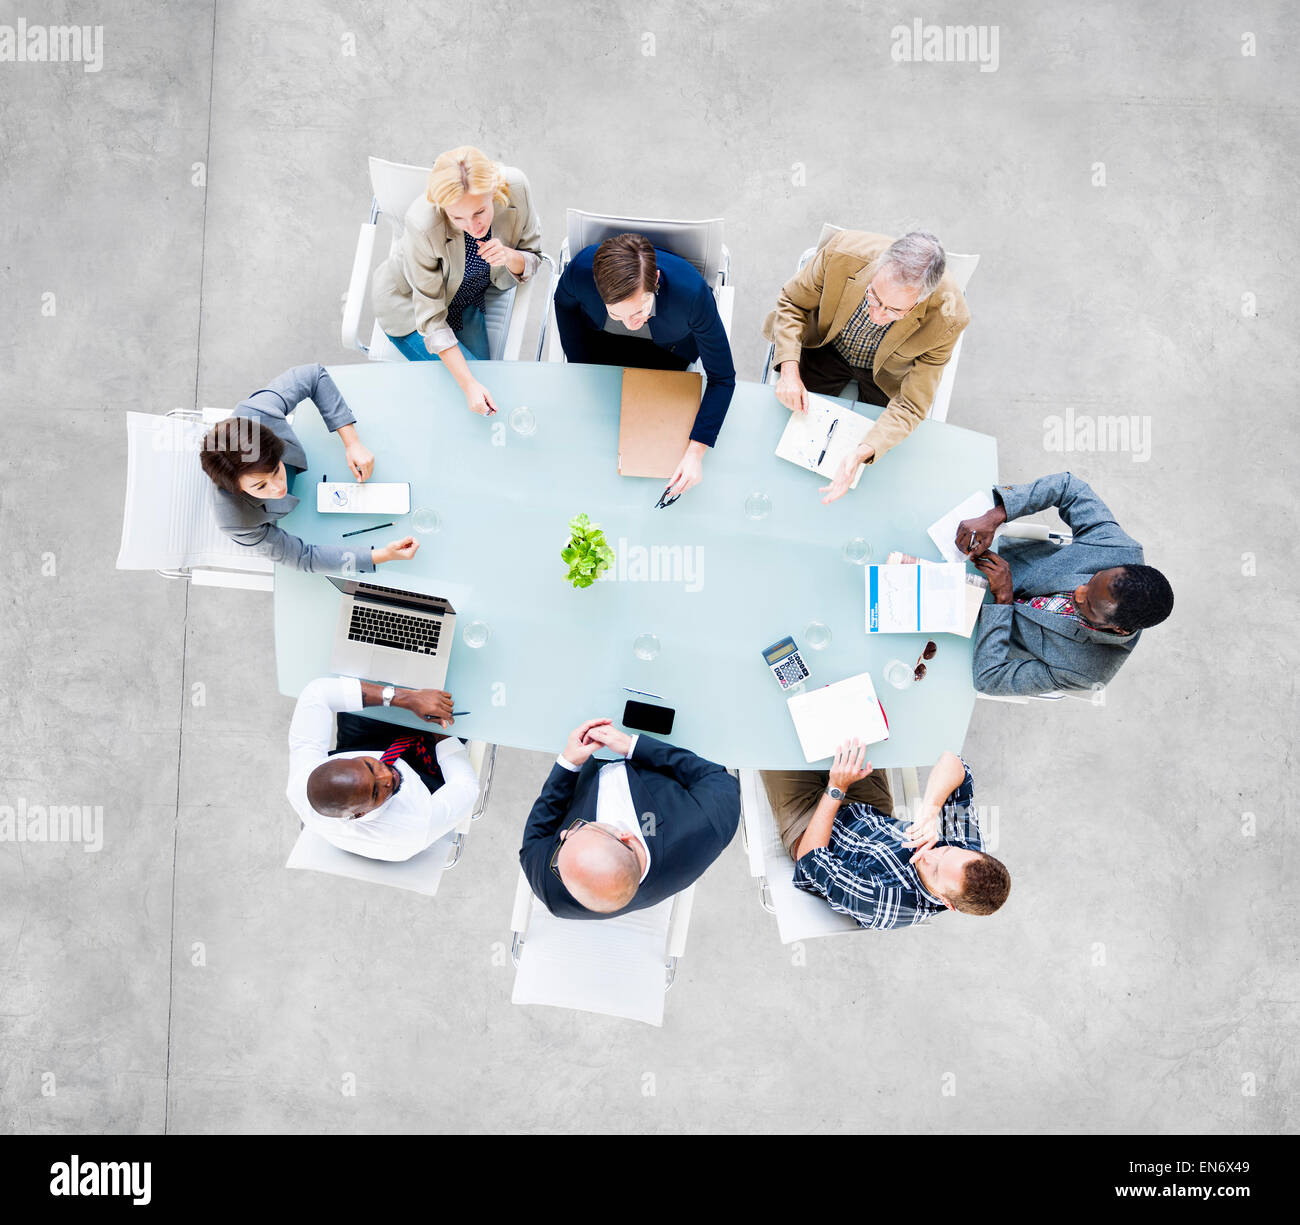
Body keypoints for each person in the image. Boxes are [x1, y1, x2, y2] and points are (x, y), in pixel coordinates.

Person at [763, 229, 968, 502]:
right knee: (781, 436)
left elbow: (911, 404)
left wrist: (862, 452)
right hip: (826, 347)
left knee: (875, 474)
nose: (876, 315)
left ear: (921, 300)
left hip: (885, 375)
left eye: (894, 311)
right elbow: (792, 303)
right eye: (873, 296)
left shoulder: (949, 319)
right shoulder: (842, 253)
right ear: (878, 267)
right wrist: (789, 372)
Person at [956, 472, 1174, 697]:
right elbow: (1068, 487)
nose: (1079, 592)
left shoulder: (1087, 673)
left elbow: (989, 679)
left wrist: (1003, 599)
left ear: (1117, 629)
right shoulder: (1118, 549)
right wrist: (997, 515)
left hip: (970, 630)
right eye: (1091, 580)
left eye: (1089, 604)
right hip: (979, 556)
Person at [552, 233, 736, 498]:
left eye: (640, 310)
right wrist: (580, 363)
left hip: (668, 357)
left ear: (657, 280)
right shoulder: (581, 270)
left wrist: (696, 454)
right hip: (600, 347)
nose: (630, 323)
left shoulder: (692, 295)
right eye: (617, 313)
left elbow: (722, 378)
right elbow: (564, 303)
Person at [371, 145, 543, 416]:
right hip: (411, 309)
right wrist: (469, 385)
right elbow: (431, 319)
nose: (473, 227)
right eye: (456, 217)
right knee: (473, 395)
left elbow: (533, 256)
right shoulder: (422, 223)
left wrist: (509, 256)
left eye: (479, 212)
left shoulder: (516, 187)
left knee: (490, 390)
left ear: (494, 191)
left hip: (467, 299)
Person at [760, 743, 1009, 929]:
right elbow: (954, 762)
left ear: (947, 903)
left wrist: (837, 788)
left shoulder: (886, 902)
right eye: (944, 851)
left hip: (812, 828)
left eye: (935, 871)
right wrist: (929, 813)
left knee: (776, 741)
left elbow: (810, 860)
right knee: (850, 722)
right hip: (868, 808)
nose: (928, 856)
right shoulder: (968, 856)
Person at [199, 364, 417, 574]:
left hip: (323, 461)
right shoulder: (235, 522)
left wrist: (352, 443)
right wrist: (383, 555)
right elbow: (304, 558)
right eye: (261, 485)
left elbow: (313, 375)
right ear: (237, 489)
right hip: (301, 519)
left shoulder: (254, 414)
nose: (278, 487)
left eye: (275, 469)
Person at [519, 718, 740, 919]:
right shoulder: (706, 828)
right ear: (625, 837)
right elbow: (714, 777)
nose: (564, 833)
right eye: (579, 827)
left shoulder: (553, 892)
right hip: (665, 736)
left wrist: (569, 763)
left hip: (588, 752)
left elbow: (534, 842)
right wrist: (633, 747)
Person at [285, 676, 477, 862]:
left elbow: (317, 693)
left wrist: (407, 698)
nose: (387, 776)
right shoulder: (416, 823)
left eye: (370, 767)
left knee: (368, 675)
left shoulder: (301, 783)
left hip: (367, 744)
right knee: (461, 696)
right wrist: (439, 730)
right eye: (376, 791)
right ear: (359, 814)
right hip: (424, 773)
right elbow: (466, 785)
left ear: (339, 759)